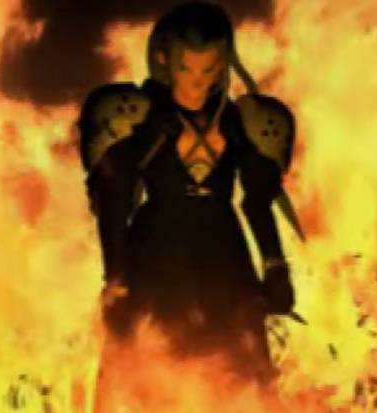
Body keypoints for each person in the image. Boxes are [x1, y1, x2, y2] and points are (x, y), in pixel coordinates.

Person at [77, 1, 300, 406]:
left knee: (239, 378)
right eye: (187, 69)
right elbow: (113, 204)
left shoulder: (243, 122)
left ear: (222, 66)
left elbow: (257, 201)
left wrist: (275, 266)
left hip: (223, 256)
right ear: (165, 61)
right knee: (142, 375)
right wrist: (117, 280)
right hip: (157, 253)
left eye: (209, 70)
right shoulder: (135, 117)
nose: (198, 83)